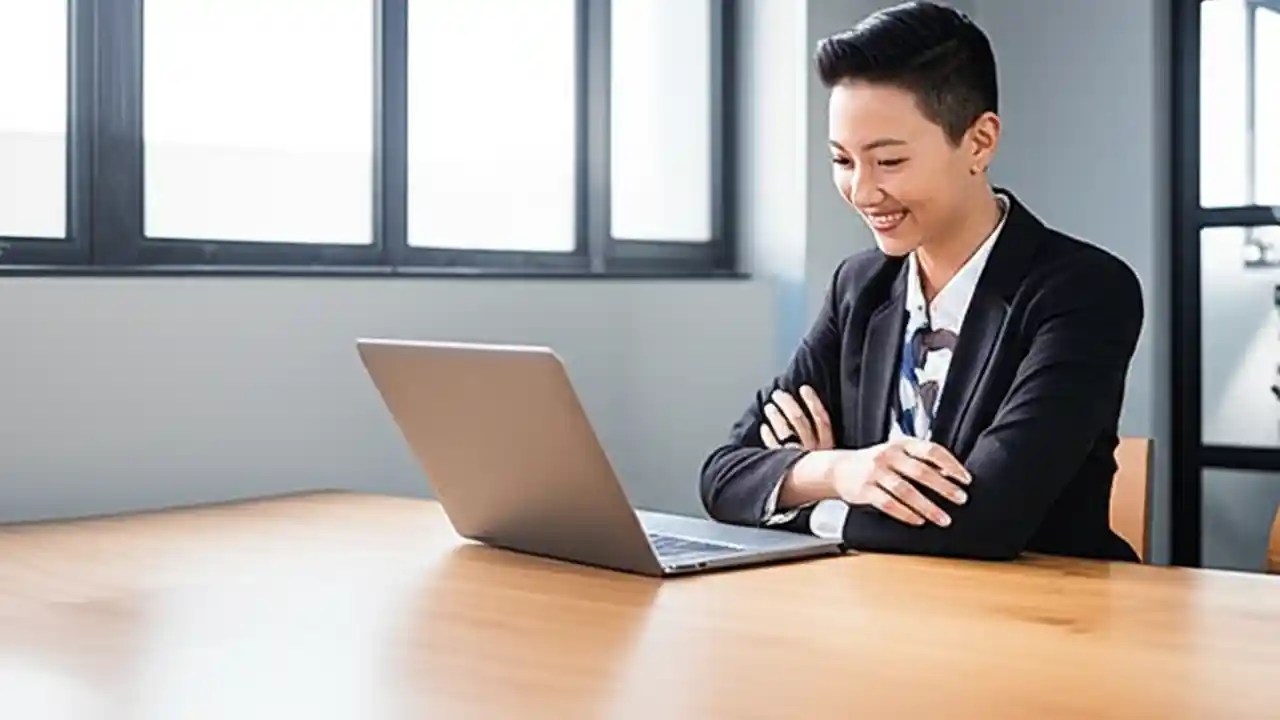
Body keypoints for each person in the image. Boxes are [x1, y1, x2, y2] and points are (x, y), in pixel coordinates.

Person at [699, 0, 1143, 562]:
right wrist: (842, 469)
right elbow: (723, 475)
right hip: (879, 611)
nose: (861, 192)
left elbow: (987, 521)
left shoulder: (1082, 292)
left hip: (1043, 621)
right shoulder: (860, 287)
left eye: (888, 162)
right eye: (842, 160)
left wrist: (808, 495)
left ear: (979, 142)